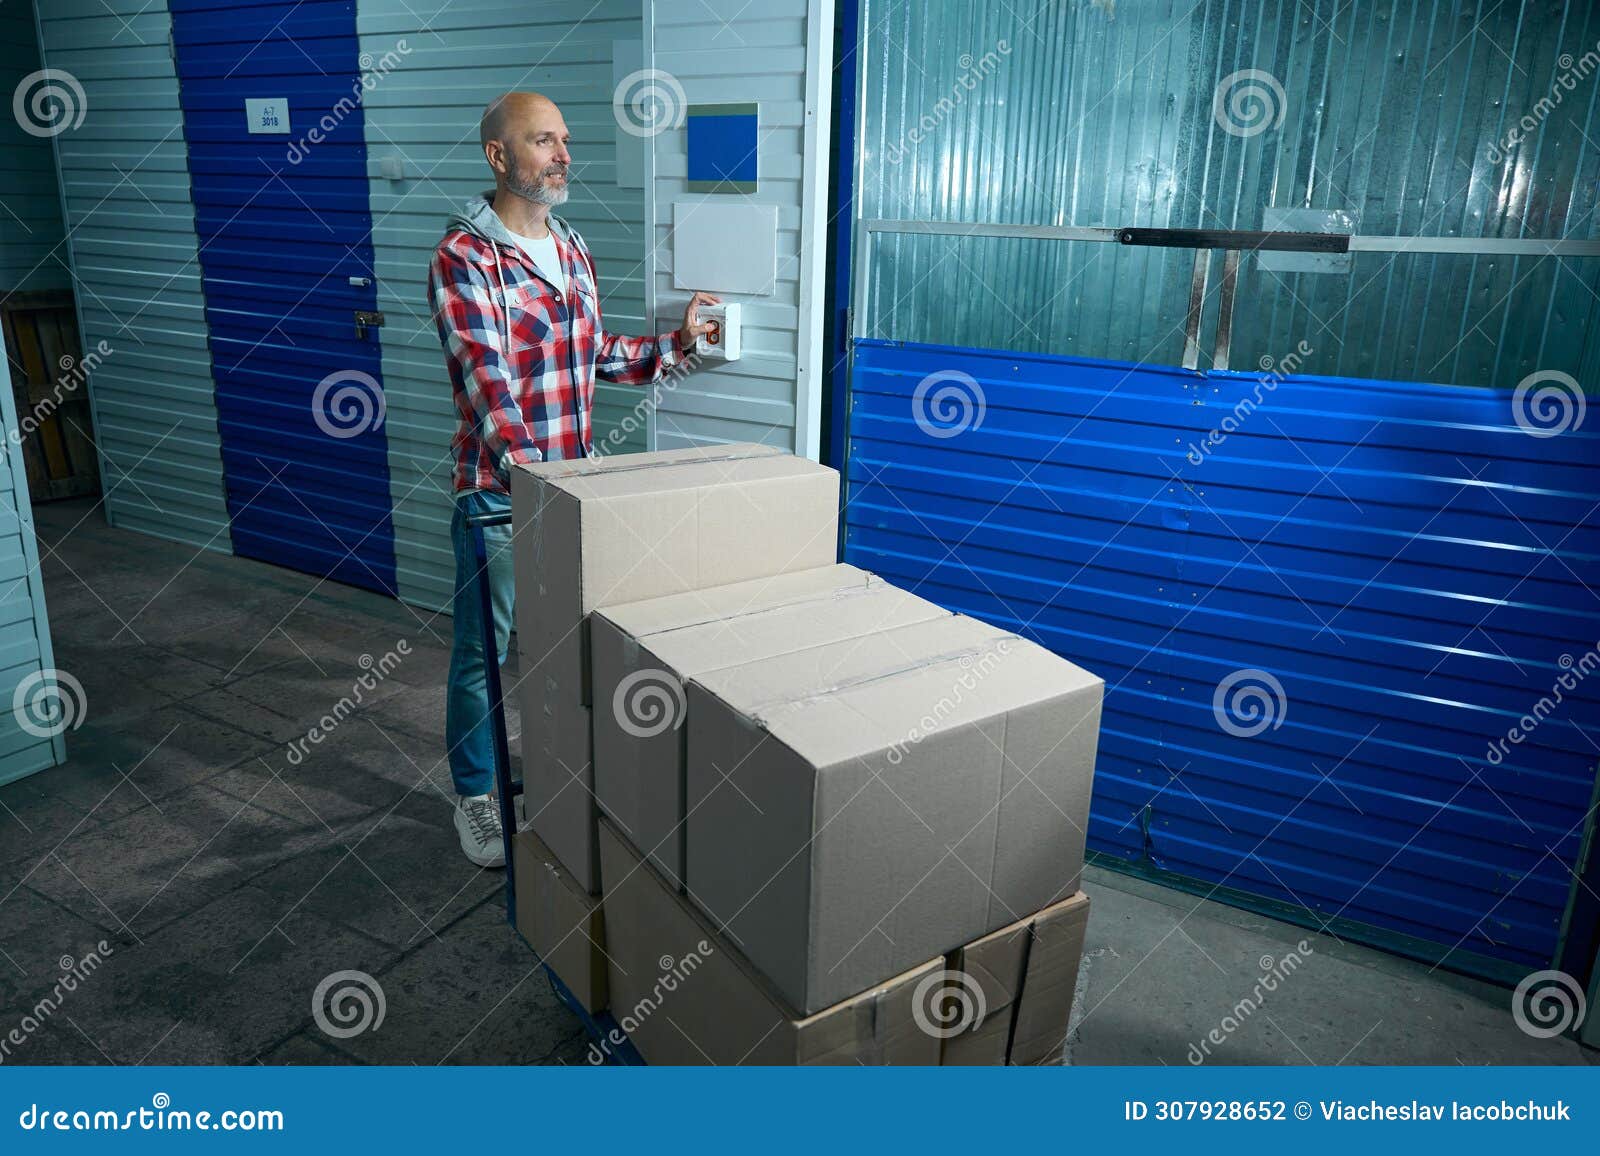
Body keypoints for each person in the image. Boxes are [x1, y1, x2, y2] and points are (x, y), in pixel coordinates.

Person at [428, 91, 719, 867]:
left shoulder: (574, 247)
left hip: (570, 490)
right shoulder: (464, 258)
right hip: (499, 493)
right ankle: (479, 798)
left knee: (566, 650)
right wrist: (536, 480)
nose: (563, 154)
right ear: (498, 156)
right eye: (543, 140)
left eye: (564, 138)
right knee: (482, 653)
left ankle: (562, 777)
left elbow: (589, 356)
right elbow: (486, 382)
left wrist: (675, 347)